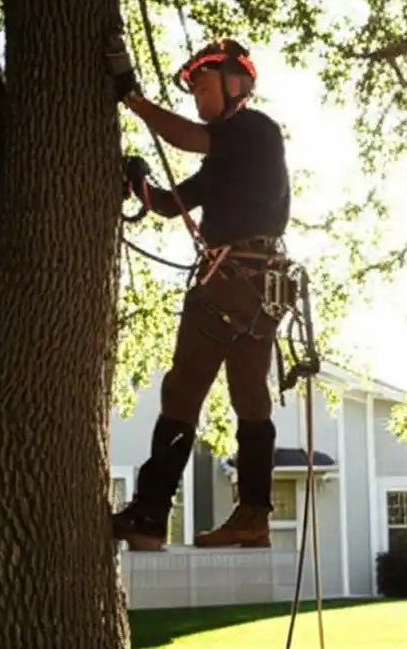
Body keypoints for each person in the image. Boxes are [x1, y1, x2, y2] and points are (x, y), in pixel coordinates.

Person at [106, 37, 290, 551]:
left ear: (237, 83)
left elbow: (189, 137)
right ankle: (253, 514)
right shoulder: (226, 156)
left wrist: (132, 98)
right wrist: (139, 182)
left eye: (203, 84)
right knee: (250, 398)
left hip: (234, 285)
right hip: (259, 289)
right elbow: (171, 205)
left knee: (183, 393)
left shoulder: (253, 130)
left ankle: (149, 515)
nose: (196, 96)